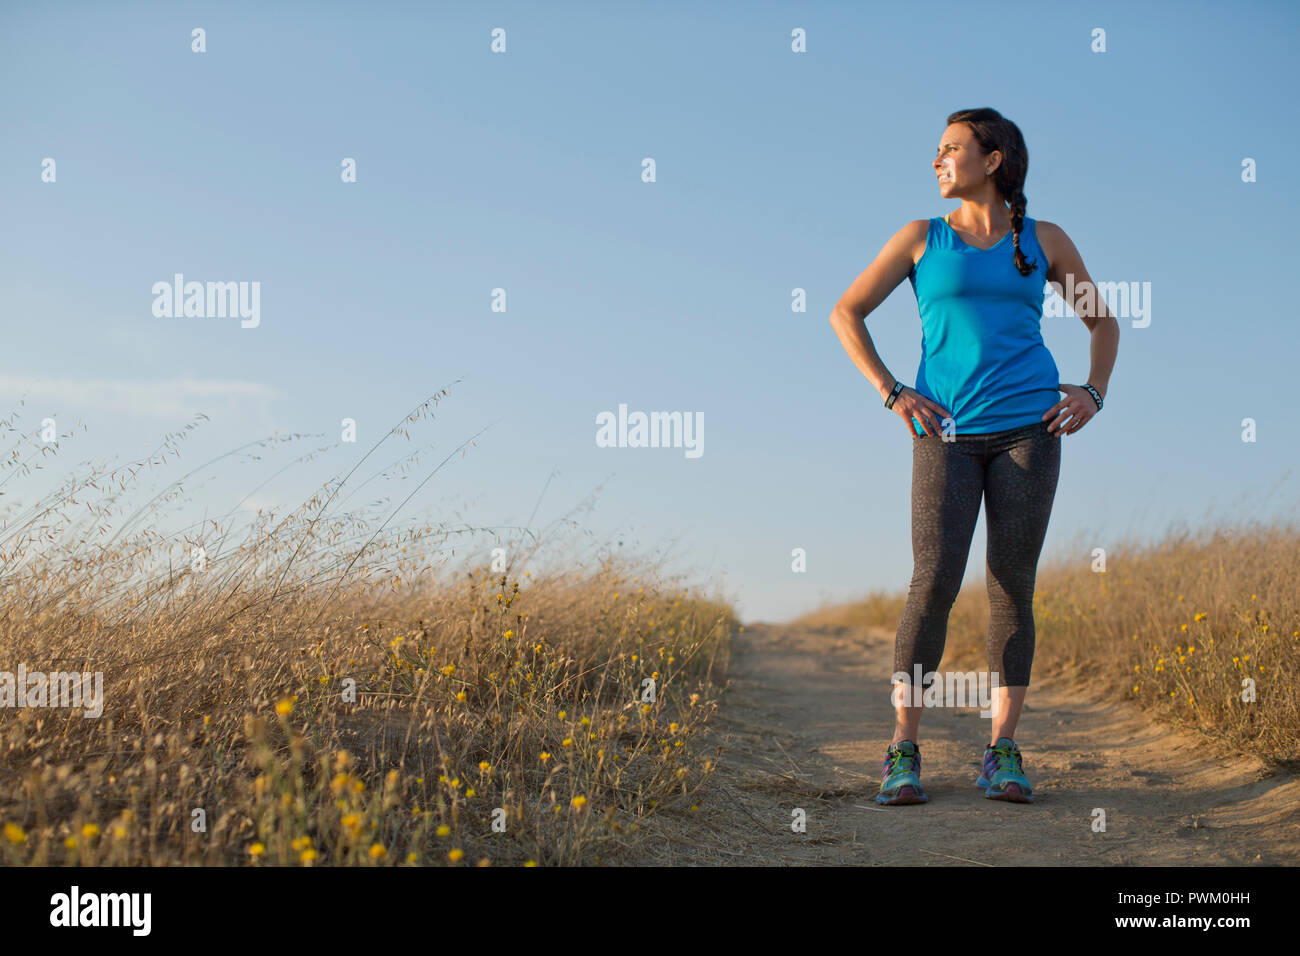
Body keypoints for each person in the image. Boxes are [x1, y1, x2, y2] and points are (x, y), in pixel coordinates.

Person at [828, 107, 1120, 805]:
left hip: (1030, 430)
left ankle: (1003, 751)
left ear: (994, 160)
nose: (937, 161)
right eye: (936, 150)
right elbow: (846, 311)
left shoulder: (1042, 241)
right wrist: (893, 392)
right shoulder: (920, 239)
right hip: (945, 434)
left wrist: (1093, 392)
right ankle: (904, 750)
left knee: (1010, 585)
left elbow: (1102, 320)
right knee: (933, 581)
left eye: (951, 149)